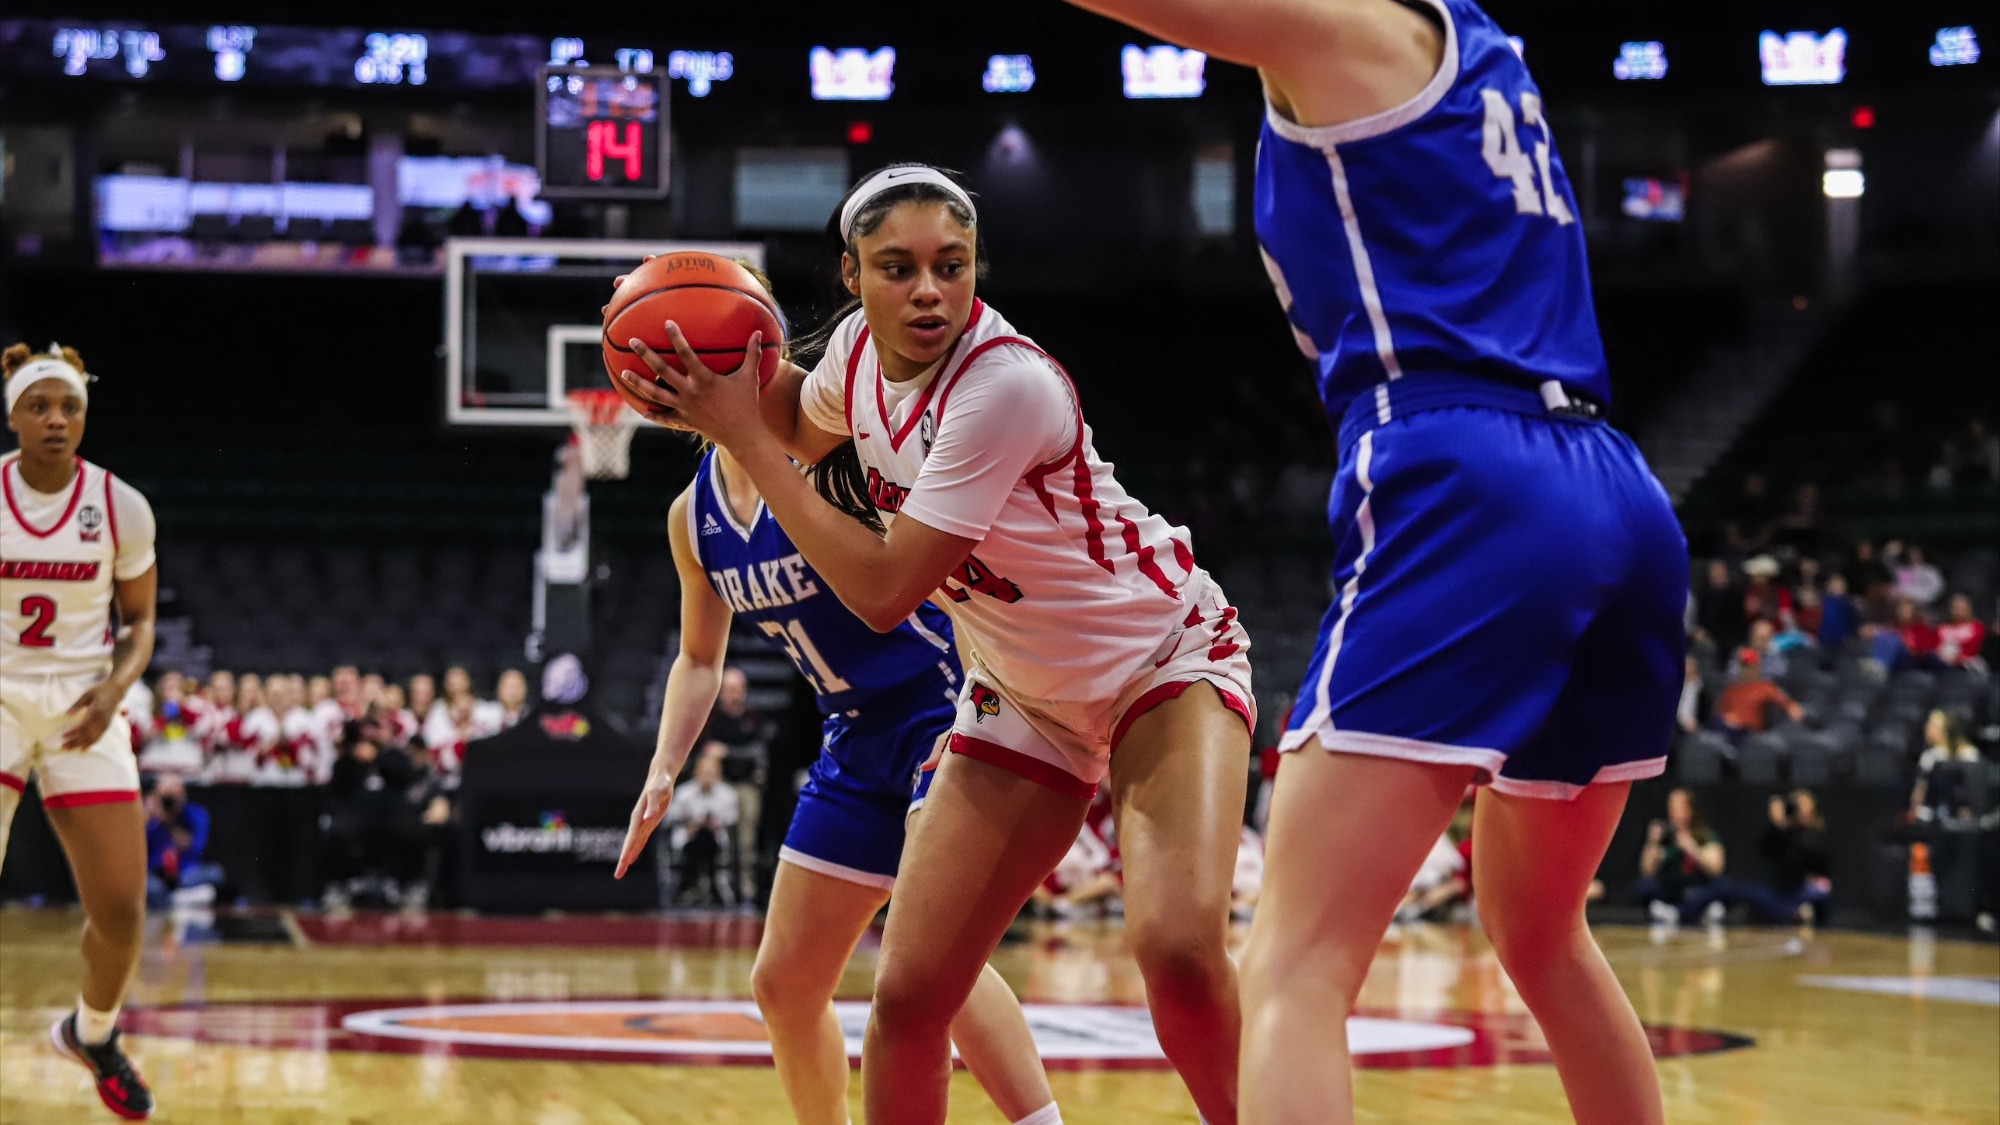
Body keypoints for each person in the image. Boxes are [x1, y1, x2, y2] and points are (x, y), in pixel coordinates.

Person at [1045, 3, 1686, 1122]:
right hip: (1613, 486)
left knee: (1295, 962)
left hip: (1465, 468)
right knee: (1541, 935)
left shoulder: (1346, 33)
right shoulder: (1483, 44)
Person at [616, 164, 1255, 1124]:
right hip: (1022, 691)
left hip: (1157, 661)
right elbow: (789, 416)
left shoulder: (1003, 387)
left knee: (1178, 955)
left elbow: (882, 590)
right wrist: (703, 377)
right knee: (910, 1002)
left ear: (975, 271)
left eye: (950, 266)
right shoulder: (851, 365)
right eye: (898, 267)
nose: (927, 290)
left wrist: (741, 434)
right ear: (851, 277)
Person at [614, 409, 1060, 1124]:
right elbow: (699, 658)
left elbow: (957, 572)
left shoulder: (832, 462)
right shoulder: (692, 517)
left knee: (934, 961)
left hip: (936, 710)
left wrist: (979, 702)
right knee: (784, 984)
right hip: (851, 738)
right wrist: (664, 767)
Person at [0, 341, 159, 1118]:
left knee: (123, 911)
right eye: (41, 406)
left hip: (83, 698)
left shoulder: (120, 504)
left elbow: (140, 623)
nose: (57, 419)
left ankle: (92, 1034)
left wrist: (114, 689)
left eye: (69, 407)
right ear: (14, 417)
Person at [699, 666, 775, 902]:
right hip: (717, 786)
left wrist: (729, 752)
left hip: (745, 786)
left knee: (745, 841)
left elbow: (757, 752)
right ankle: (713, 889)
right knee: (717, 837)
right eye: (728, 689)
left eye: (737, 689)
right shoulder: (713, 719)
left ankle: (746, 890)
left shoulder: (753, 718)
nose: (732, 694)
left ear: (744, 691)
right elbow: (707, 752)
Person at [1635, 788, 1727, 927]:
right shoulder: (1665, 838)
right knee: (1644, 886)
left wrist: (1691, 848)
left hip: (1698, 889)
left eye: (1681, 809)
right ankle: (1696, 911)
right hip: (1673, 890)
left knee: (1724, 886)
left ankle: (1678, 913)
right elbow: (1646, 871)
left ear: (1691, 810)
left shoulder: (1705, 835)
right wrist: (1652, 842)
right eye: (1672, 809)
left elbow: (1716, 869)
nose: (1676, 814)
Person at [1742, 789, 1831, 925]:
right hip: (1778, 891)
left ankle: (1802, 915)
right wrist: (1779, 825)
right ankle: (1790, 913)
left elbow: (1816, 861)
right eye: (1798, 808)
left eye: (1807, 807)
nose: (1803, 812)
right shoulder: (1782, 833)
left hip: (1803, 889)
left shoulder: (1816, 834)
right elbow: (1766, 850)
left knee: (1821, 891)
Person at [665, 749, 739, 906]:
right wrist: (691, 824)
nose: (707, 778)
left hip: (716, 840)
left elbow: (732, 821)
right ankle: (688, 887)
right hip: (688, 838)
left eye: (711, 773)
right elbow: (671, 818)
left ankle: (714, 889)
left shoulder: (728, 794)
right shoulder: (683, 793)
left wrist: (715, 824)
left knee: (708, 839)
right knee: (695, 842)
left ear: (718, 774)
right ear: (696, 773)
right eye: (704, 773)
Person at [143, 775, 222, 908]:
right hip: (157, 874)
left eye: (171, 798)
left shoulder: (195, 814)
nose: (168, 803)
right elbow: (137, 849)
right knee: (151, 887)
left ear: (182, 796)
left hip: (186, 873)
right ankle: (174, 900)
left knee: (216, 873)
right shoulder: (152, 816)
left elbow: (195, 848)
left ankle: (175, 898)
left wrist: (169, 822)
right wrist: (145, 817)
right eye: (164, 798)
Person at [1912, 710, 1983, 825]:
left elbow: (1976, 788)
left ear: (1947, 730)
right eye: (1928, 724)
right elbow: (1920, 789)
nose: (1928, 728)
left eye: (1934, 725)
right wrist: (1914, 812)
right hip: (1934, 813)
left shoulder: (1969, 754)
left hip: (1968, 815)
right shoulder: (1929, 756)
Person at [1713, 649, 1803, 737]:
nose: (1746, 670)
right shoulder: (1731, 689)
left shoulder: (1765, 687)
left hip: (1749, 734)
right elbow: (1719, 712)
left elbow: (1788, 703)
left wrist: (1792, 709)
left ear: (1757, 667)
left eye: (1750, 666)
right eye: (1744, 666)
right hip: (1726, 731)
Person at [1937, 593, 1988, 671]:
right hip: (1944, 662)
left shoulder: (1977, 626)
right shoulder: (1943, 627)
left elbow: (1974, 647)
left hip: (1968, 662)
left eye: (1962, 607)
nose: (1959, 610)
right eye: (1956, 607)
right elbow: (1936, 645)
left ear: (1969, 608)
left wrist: (1957, 657)